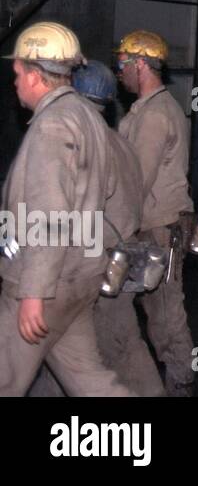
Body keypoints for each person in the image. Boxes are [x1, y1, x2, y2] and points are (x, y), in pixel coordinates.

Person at [0, 23, 132, 396]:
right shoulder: (90, 118)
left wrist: (33, 294)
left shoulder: (52, 126)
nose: (15, 82)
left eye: (19, 73)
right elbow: (104, 189)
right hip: (80, 275)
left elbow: (49, 215)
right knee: (91, 382)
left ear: (38, 75)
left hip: (49, 283)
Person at [27, 60, 165, 397]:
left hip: (85, 266)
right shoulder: (119, 144)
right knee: (125, 346)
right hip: (123, 262)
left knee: (59, 353)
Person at [115, 30, 196, 396]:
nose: (120, 72)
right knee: (151, 311)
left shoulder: (155, 116)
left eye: (123, 64)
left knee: (164, 314)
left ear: (141, 64)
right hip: (154, 225)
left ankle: (180, 384)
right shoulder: (149, 110)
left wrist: (113, 230)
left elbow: (136, 182)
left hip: (158, 230)